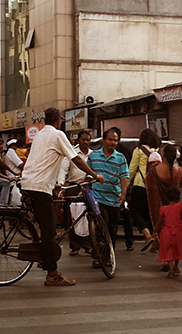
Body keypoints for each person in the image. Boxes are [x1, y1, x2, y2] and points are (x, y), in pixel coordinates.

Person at [20, 107, 105, 286]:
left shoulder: (40, 135)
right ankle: (52, 274)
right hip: (40, 187)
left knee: (46, 229)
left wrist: (57, 183)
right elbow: (75, 159)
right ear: (59, 120)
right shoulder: (58, 135)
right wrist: (94, 174)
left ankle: (45, 257)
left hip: (29, 183)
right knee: (50, 231)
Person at [88, 128, 131, 258]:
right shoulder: (93, 156)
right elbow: (88, 174)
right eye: (111, 139)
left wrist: (123, 194)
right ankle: (98, 255)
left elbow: (124, 177)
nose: (113, 142)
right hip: (97, 198)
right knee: (102, 226)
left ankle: (108, 256)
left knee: (112, 230)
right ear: (104, 140)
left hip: (114, 199)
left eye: (116, 140)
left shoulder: (120, 158)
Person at [128, 129, 160, 251]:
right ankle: (156, 241)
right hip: (154, 187)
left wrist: (125, 185)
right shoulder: (157, 151)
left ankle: (147, 235)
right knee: (151, 214)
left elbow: (132, 169)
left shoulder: (139, 150)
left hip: (140, 185)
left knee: (135, 211)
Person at [147, 143, 182, 251]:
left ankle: (166, 257)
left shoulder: (154, 170)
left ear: (163, 155)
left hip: (160, 208)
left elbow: (148, 184)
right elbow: (179, 188)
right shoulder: (179, 171)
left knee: (163, 232)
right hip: (175, 209)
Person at [157, 187, 182, 277]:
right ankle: (176, 266)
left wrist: (155, 231)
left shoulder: (163, 209)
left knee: (169, 250)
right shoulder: (180, 206)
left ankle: (171, 269)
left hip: (166, 231)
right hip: (178, 231)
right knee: (178, 248)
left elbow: (159, 222)